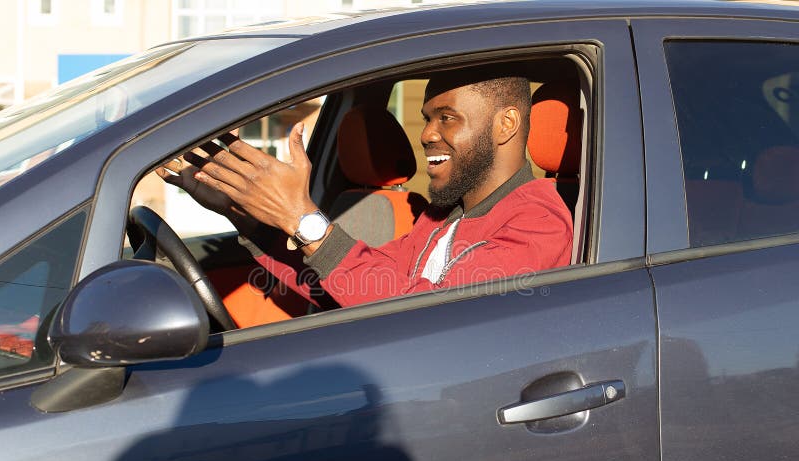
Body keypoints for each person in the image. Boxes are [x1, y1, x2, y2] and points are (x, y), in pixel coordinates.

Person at [160, 67, 573, 309]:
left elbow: (432, 320)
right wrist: (245, 214)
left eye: (447, 117)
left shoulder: (539, 224)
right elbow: (355, 282)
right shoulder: (441, 216)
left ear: (506, 125)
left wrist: (304, 220)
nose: (427, 134)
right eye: (427, 118)